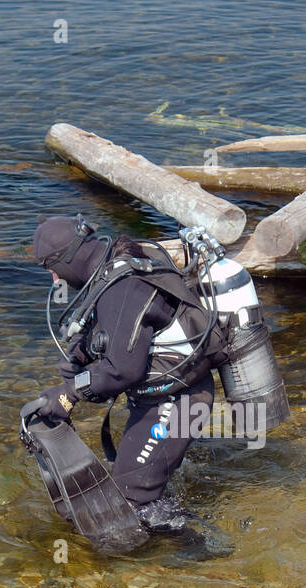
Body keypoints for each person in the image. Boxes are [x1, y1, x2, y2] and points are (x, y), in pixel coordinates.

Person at [30, 216, 214, 533]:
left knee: (130, 504)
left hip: (176, 402)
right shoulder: (123, 261)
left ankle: (206, 553)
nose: (54, 278)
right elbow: (128, 328)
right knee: (136, 483)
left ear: (67, 258)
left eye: (52, 267)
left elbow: (123, 370)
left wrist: (68, 394)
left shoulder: (122, 286)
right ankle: (169, 516)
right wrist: (82, 352)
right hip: (173, 394)